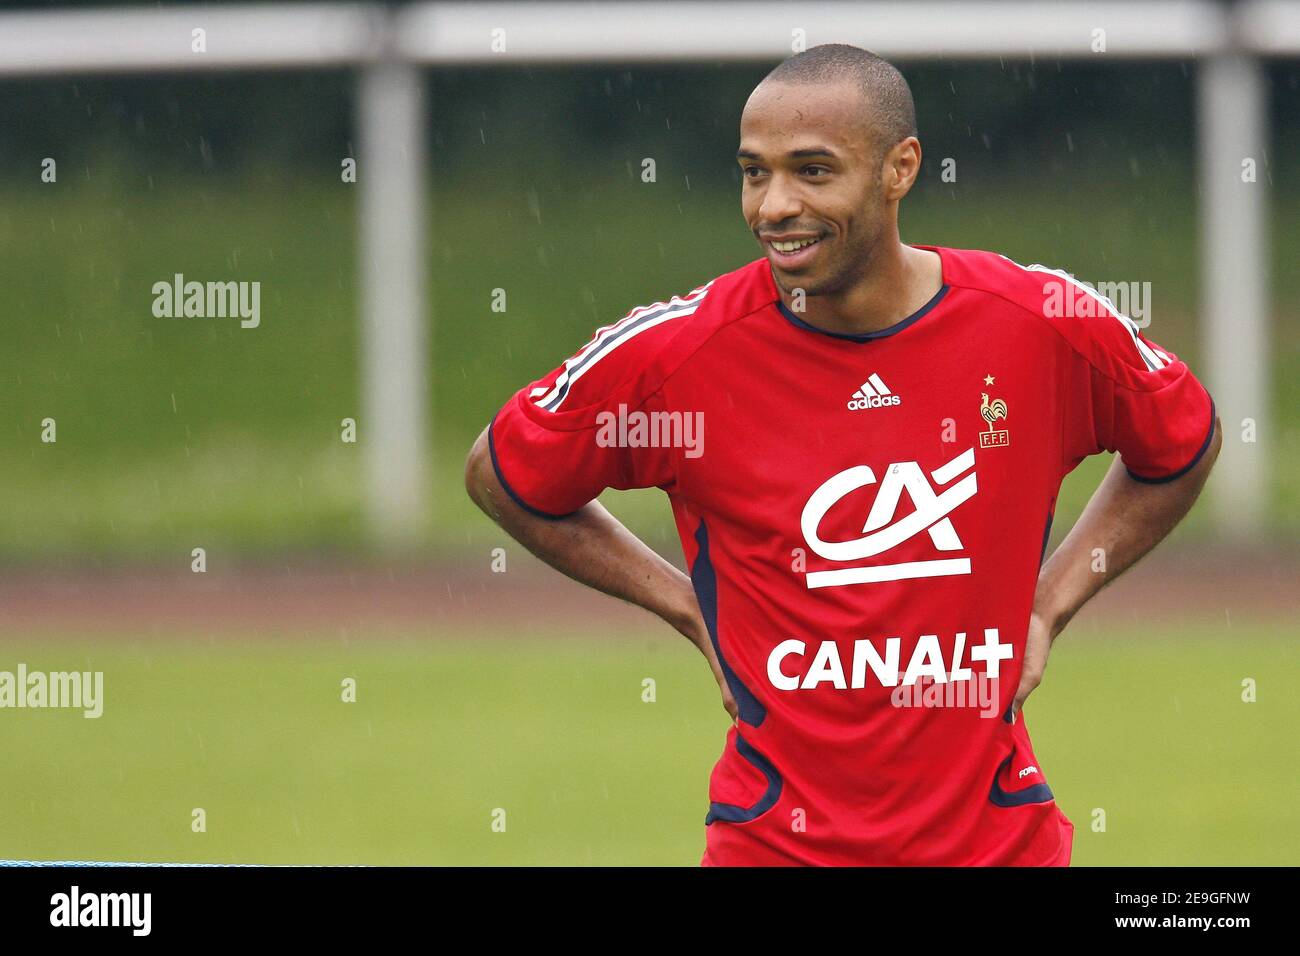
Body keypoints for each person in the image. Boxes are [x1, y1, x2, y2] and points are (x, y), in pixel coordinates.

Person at [464, 43, 1222, 865]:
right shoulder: (679, 356)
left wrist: (1052, 601)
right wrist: (687, 608)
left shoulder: (1039, 325)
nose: (773, 205)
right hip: (776, 849)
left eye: (813, 171)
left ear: (900, 169)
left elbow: (1180, 441)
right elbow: (506, 476)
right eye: (754, 172)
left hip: (999, 849)